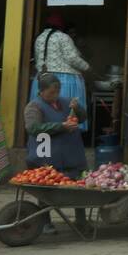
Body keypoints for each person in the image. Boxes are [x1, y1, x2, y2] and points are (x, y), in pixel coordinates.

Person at [24, 72, 90, 234]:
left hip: (71, 153)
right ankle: (46, 223)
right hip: (46, 152)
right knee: (47, 191)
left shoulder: (66, 102)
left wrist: (78, 109)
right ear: (42, 91)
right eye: (51, 92)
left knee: (78, 188)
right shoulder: (34, 106)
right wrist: (61, 126)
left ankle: (81, 221)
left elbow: (82, 118)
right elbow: (33, 128)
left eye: (58, 91)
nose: (55, 95)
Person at [32, 12, 90, 133]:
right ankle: (67, 133)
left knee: (44, 111)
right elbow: (72, 58)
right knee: (64, 110)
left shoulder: (39, 38)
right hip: (64, 79)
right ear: (61, 26)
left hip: (42, 78)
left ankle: (45, 133)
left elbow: (38, 59)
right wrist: (87, 67)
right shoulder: (63, 37)